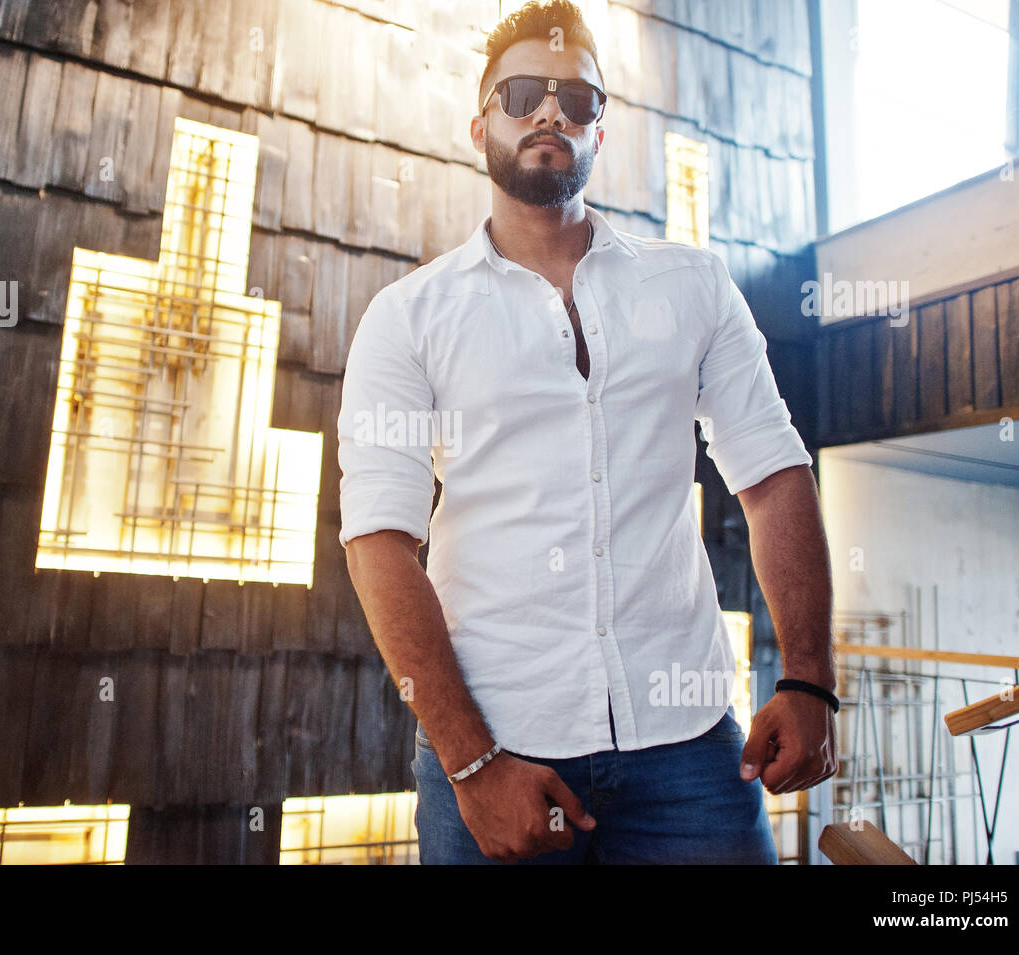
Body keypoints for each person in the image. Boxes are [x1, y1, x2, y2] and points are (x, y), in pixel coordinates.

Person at [337, 0, 837, 864]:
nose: (549, 112)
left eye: (578, 98)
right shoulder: (407, 318)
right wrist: (472, 761)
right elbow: (380, 542)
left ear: (601, 130)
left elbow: (774, 476)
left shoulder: (694, 286)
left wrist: (809, 677)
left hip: (689, 754)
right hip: (496, 750)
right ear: (479, 121)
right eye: (523, 90)